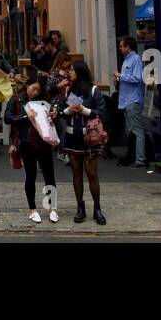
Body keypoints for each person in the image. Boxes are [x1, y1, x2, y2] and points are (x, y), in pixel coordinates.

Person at [56, 60, 106, 224]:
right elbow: (60, 111)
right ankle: (80, 207)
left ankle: (97, 209)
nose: (69, 72)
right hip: (72, 136)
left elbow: (101, 111)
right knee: (76, 173)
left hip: (90, 137)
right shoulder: (68, 89)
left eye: (72, 70)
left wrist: (84, 110)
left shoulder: (93, 90)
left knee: (92, 173)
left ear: (80, 72)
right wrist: (68, 110)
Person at [5, 79, 59, 224]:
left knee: (49, 175)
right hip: (26, 143)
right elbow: (7, 118)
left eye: (38, 90)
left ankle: (52, 208)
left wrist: (54, 114)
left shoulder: (43, 101)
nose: (35, 92)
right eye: (33, 88)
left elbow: (52, 117)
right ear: (27, 85)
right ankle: (33, 210)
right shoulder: (16, 100)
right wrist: (25, 117)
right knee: (31, 176)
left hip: (44, 141)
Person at [115, 36, 151, 171]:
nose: (120, 48)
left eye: (121, 46)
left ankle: (140, 159)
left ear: (128, 47)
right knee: (131, 131)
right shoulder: (126, 60)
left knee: (137, 130)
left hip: (133, 99)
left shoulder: (135, 59)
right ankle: (133, 156)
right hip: (126, 100)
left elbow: (137, 78)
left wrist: (121, 76)